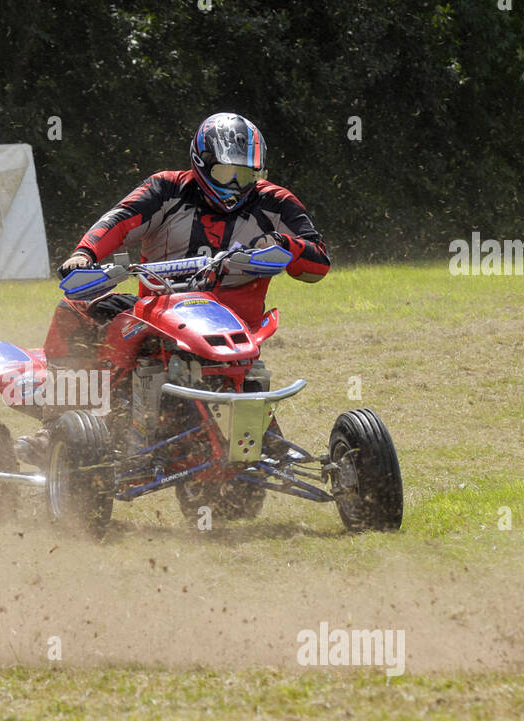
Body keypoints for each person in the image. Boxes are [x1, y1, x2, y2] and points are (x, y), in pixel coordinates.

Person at [19, 111, 331, 463]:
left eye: (245, 175)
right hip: (158, 317)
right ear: (201, 163)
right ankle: (58, 425)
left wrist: (285, 246)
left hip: (234, 330)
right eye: (225, 173)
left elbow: (318, 261)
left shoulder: (276, 202)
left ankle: (252, 430)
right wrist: (85, 253)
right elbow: (119, 220)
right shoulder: (166, 189)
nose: (235, 185)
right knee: (72, 311)